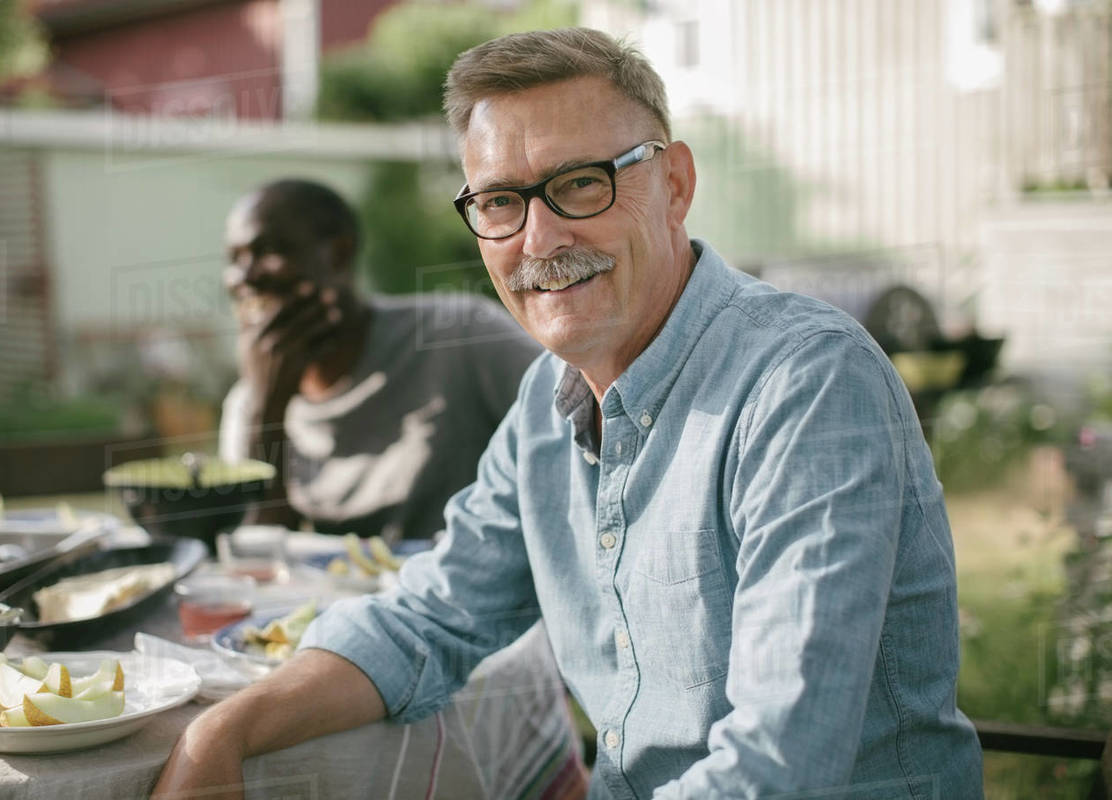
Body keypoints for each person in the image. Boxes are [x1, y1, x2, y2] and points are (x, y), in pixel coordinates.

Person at [156, 28, 984, 799]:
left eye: (580, 183)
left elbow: (779, 763)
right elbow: (429, 619)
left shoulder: (805, 384)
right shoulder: (546, 401)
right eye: (499, 202)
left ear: (676, 185)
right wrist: (223, 732)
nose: (539, 239)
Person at [218, 178, 541, 541]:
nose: (246, 277)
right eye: (235, 259)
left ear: (339, 254)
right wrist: (268, 409)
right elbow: (259, 557)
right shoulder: (248, 407)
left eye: (270, 251)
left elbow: (571, 431)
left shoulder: (459, 335)